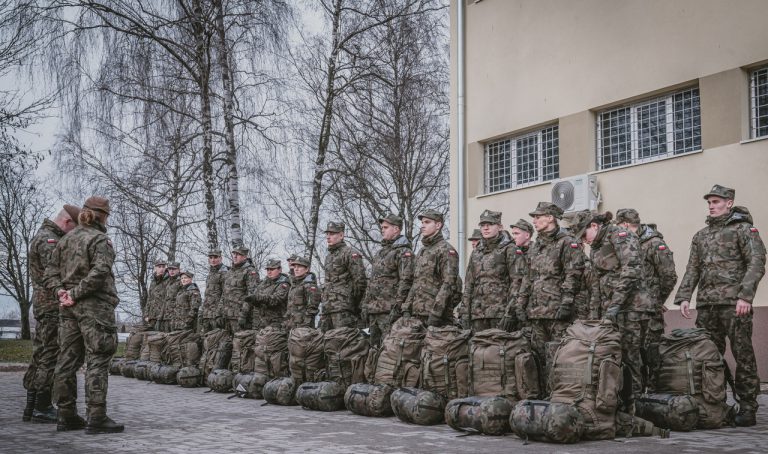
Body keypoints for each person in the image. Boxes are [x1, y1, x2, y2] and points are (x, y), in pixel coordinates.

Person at [674, 184, 766, 426]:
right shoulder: (701, 236)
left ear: (729, 202)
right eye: (709, 202)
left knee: (742, 354)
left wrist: (745, 296)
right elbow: (692, 268)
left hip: (734, 305)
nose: (711, 206)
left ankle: (747, 406)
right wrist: (684, 296)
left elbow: (757, 262)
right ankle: (712, 402)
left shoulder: (744, 230)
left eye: (716, 201)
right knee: (706, 356)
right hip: (707, 305)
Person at [44, 196, 123, 433]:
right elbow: (100, 272)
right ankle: (96, 417)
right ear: (103, 216)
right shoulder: (100, 240)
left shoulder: (66, 239)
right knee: (98, 360)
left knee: (66, 361)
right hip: (94, 308)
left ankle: (65, 415)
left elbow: (50, 272)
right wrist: (76, 293)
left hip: (68, 309)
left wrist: (62, 293)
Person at [572, 210, 652, 411]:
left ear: (594, 226)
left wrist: (614, 307)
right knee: (614, 355)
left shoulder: (620, 236)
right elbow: (597, 284)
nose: (584, 240)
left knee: (630, 355)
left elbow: (631, 271)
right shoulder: (596, 247)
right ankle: (619, 401)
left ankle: (636, 404)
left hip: (631, 308)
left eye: (584, 234)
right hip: (611, 310)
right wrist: (594, 316)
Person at [22, 204, 80, 423]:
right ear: (67, 222)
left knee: (41, 353)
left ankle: (31, 406)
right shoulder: (50, 241)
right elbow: (56, 275)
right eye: (74, 229)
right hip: (51, 306)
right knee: (50, 355)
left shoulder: (44, 236)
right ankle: (42, 406)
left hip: (45, 306)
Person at [516, 202, 584, 387]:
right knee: (537, 357)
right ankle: (541, 399)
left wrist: (567, 302)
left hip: (557, 311)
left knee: (559, 356)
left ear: (550, 218)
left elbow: (573, 274)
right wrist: (521, 303)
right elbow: (528, 278)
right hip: (536, 312)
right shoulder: (535, 246)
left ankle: (560, 394)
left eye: (538, 217)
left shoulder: (568, 242)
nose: (535, 221)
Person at [615, 208, 677, 347]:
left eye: (619, 227)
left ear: (625, 224)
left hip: (650, 313)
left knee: (651, 352)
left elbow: (669, 276)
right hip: (632, 312)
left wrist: (657, 300)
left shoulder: (654, 243)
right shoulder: (628, 244)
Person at [361, 214, 415, 346]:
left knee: (389, 349)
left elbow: (406, 281)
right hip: (374, 311)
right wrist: (366, 304)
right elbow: (372, 282)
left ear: (396, 229)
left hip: (389, 311)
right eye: (382, 227)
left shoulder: (403, 252)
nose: (382, 230)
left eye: (386, 227)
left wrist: (398, 308)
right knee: (372, 350)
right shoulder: (380, 253)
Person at [461, 210, 517, 332]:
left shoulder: (509, 249)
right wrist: (464, 312)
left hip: (500, 314)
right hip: (478, 314)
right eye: (482, 225)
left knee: (500, 349)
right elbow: (469, 284)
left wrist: (510, 313)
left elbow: (516, 283)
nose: (485, 228)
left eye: (490, 224)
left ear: (500, 227)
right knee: (478, 349)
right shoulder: (476, 252)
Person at [402, 209, 460, 327]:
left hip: (436, 317)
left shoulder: (446, 250)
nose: (422, 226)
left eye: (427, 222)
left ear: (438, 225)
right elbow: (416, 282)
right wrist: (407, 308)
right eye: (422, 222)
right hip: (417, 313)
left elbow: (448, 285)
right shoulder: (422, 251)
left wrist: (436, 314)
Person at [320, 221, 368, 330]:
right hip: (328, 308)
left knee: (343, 341)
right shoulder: (328, 257)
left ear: (341, 235)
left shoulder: (350, 253)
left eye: (332, 234)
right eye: (327, 234)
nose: (328, 237)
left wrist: (352, 303)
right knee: (327, 343)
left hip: (343, 308)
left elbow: (360, 282)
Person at [240, 259, 290, 330]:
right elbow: (254, 296)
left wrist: (258, 298)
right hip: (258, 322)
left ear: (280, 270)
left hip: (274, 324)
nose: (269, 272)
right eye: (268, 269)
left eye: (272, 269)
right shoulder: (263, 283)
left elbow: (276, 299)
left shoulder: (284, 284)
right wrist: (244, 314)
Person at [221, 246, 260, 334]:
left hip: (240, 316)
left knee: (241, 344)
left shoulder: (250, 272)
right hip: (227, 315)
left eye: (238, 254)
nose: (235, 256)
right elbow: (225, 292)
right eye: (234, 254)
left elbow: (252, 295)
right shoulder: (230, 272)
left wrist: (243, 314)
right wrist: (220, 311)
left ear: (245, 257)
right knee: (228, 343)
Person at [283, 256, 321, 330]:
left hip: (303, 329)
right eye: (295, 267)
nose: (296, 269)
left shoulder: (310, 285)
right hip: (290, 326)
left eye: (299, 267)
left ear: (306, 269)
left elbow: (312, 308)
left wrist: (305, 325)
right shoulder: (294, 285)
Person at [199, 249, 227, 333]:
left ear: (221, 258)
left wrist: (219, 313)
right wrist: (202, 312)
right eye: (211, 258)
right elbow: (207, 295)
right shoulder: (210, 274)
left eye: (215, 257)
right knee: (206, 341)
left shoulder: (224, 273)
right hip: (207, 315)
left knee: (217, 340)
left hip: (217, 314)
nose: (213, 260)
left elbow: (225, 294)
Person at [144, 259, 168, 331]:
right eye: (159, 267)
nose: (161, 269)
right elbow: (149, 298)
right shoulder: (153, 282)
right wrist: (146, 314)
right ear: (155, 268)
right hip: (152, 316)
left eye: (163, 267)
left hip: (163, 316)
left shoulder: (168, 280)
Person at [157, 262, 181, 332]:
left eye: (174, 269)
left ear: (178, 270)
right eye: (170, 269)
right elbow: (165, 301)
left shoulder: (181, 282)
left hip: (176, 317)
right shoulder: (168, 283)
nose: (171, 271)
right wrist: (160, 317)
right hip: (166, 316)